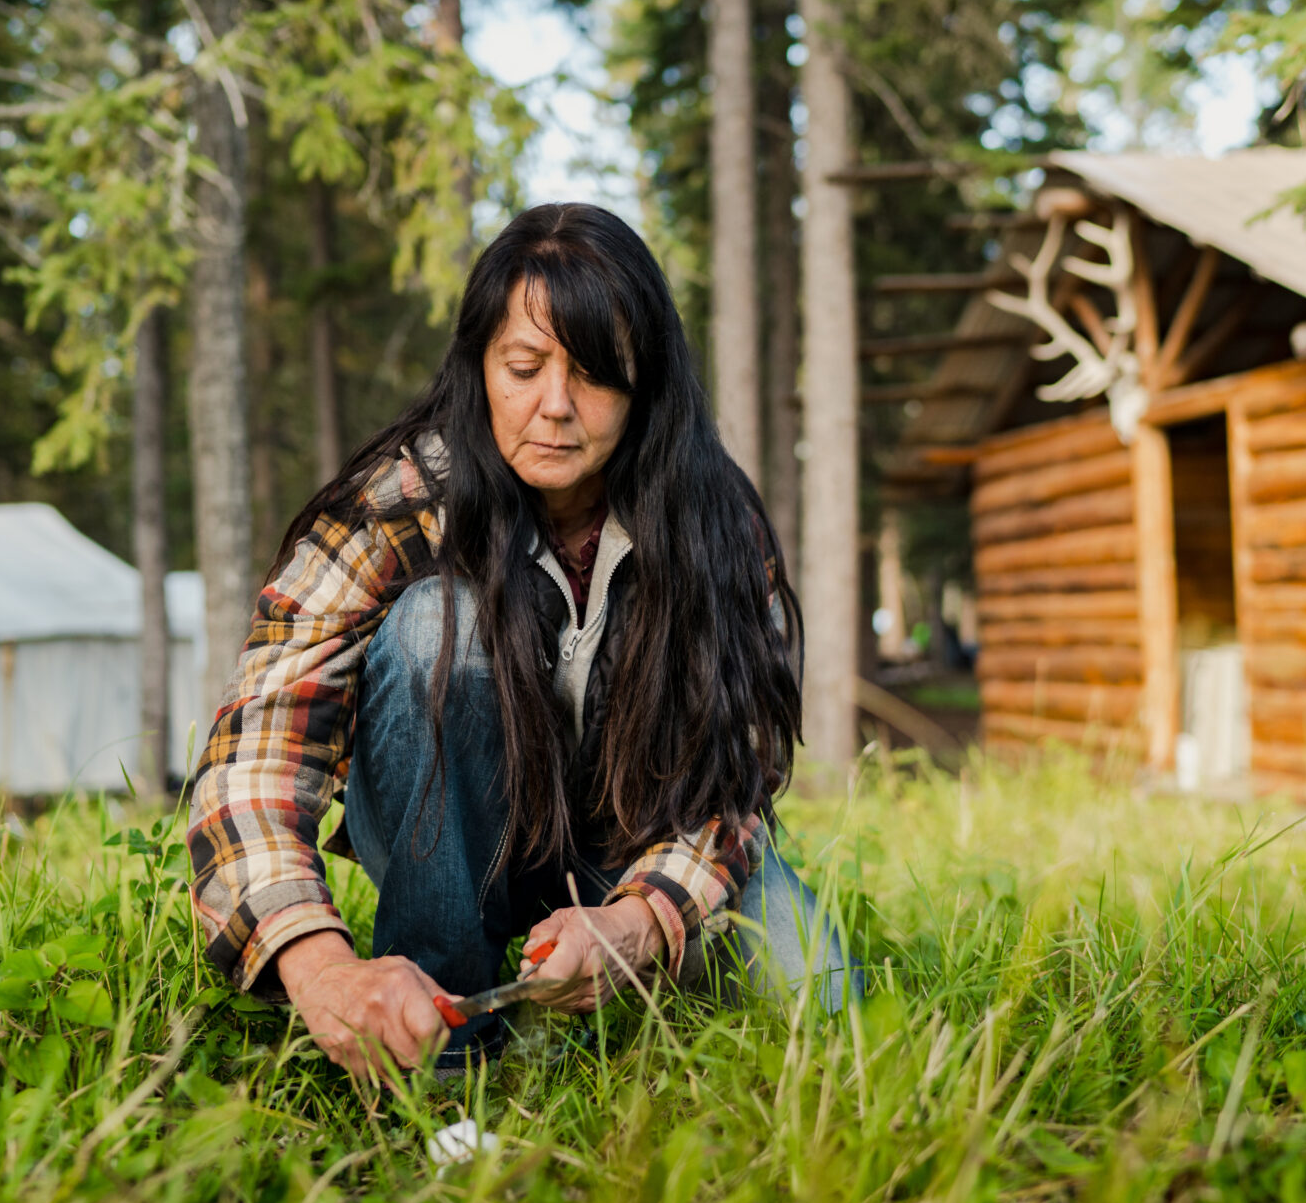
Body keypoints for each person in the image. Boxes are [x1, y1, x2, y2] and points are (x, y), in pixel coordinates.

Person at [186, 202, 855, 1079]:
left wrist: (638, 921)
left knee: (826, 1005)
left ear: (646, 384)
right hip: (450, 843)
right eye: (525, 367)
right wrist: (318, 967)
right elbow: (255, 754)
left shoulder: (714, 525)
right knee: (439, 623)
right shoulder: (399, 504)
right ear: (480, 367)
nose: (556, 407)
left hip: (632, 854)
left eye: (596, 375)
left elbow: (735, 778)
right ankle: (442, 1053)